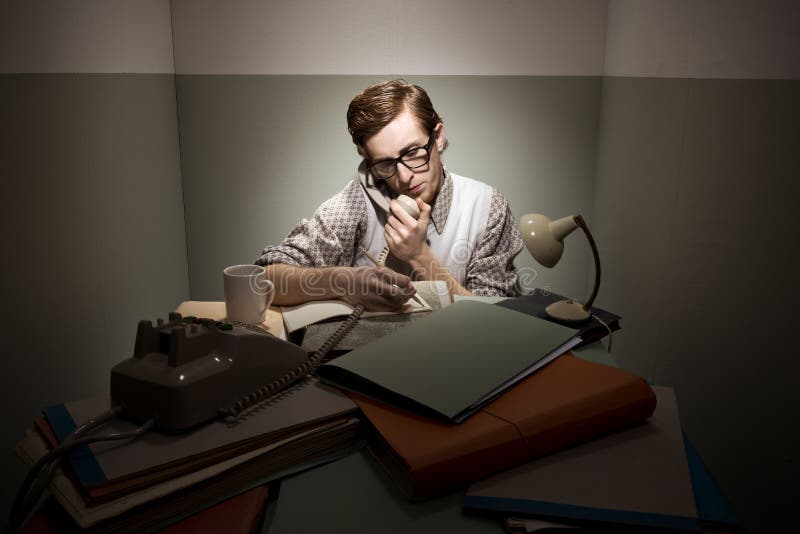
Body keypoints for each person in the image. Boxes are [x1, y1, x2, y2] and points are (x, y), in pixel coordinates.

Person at [256, 80, 522, 311]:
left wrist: (419, 256)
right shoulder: (354, 205)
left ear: (438, 137)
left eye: (413, 153)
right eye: (385, 164)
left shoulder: (487, 207)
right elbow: (264, 280)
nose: (404, 177)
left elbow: (493, 321)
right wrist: (343, 281)